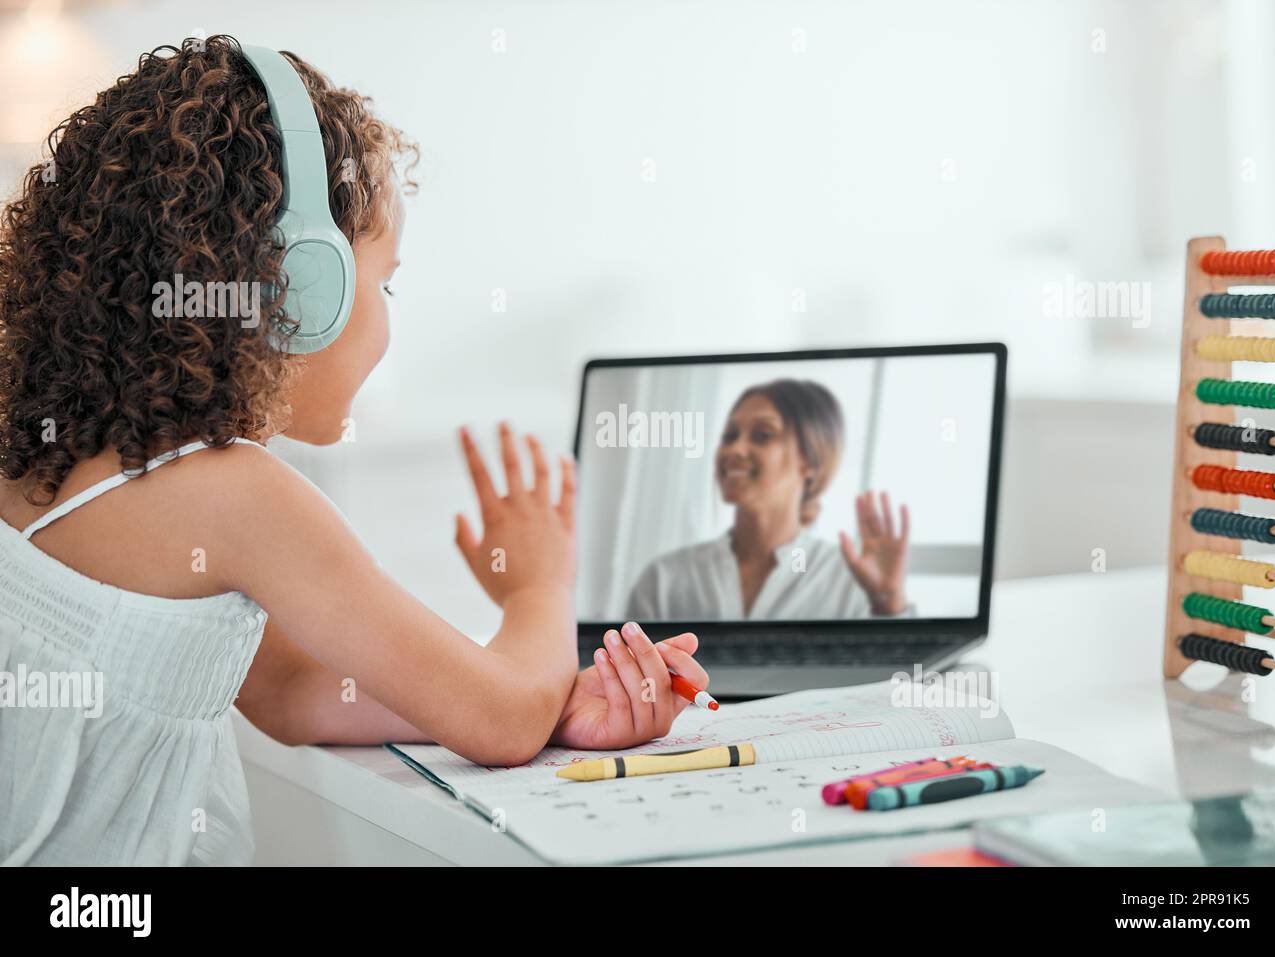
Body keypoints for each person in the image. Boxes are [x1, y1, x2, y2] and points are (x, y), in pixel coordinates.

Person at [0, 36, 707, 866]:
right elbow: (502, 717)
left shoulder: (49, 462)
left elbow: (295, 692)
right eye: (387, 280)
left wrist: (557, 698)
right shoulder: (236, 495)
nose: (388, 311)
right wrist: (539, 586)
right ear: (304, 286)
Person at [626, 379, 910, 620]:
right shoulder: (663, 579)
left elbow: (902, 681)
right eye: (729, 436)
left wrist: (888, 600)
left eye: (762, 436)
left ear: (810, 462)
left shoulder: (849, 580)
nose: (735, 449)